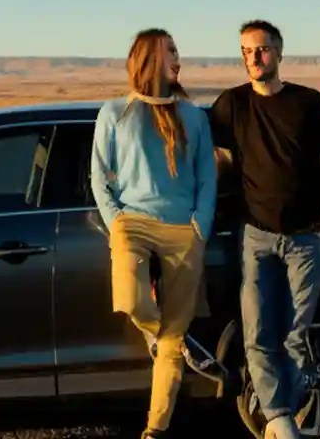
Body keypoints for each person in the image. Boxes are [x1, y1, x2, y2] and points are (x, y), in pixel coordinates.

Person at [210, 20, 320, 439]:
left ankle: (287, 410)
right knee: (258, 332)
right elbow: (218, 162)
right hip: (257, 236)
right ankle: (278, 419)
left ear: (280, 53)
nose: (254, 57)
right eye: (246, 51)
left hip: (305, 238)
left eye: (262, 49)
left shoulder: (308, 103)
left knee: (296, 334)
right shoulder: (231, 105)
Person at [90, 28, 219, 439]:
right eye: (172, 52)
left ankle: (155, 428)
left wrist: (201, 225)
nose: (179, 59)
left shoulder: (193, 117)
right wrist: (116, 222)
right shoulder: (115, 113)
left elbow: (207, 177)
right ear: (149, 58)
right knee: (131, 302)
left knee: (172, 339)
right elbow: (98, 176)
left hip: (185, 227)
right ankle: (166, 336)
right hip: (133, 223)